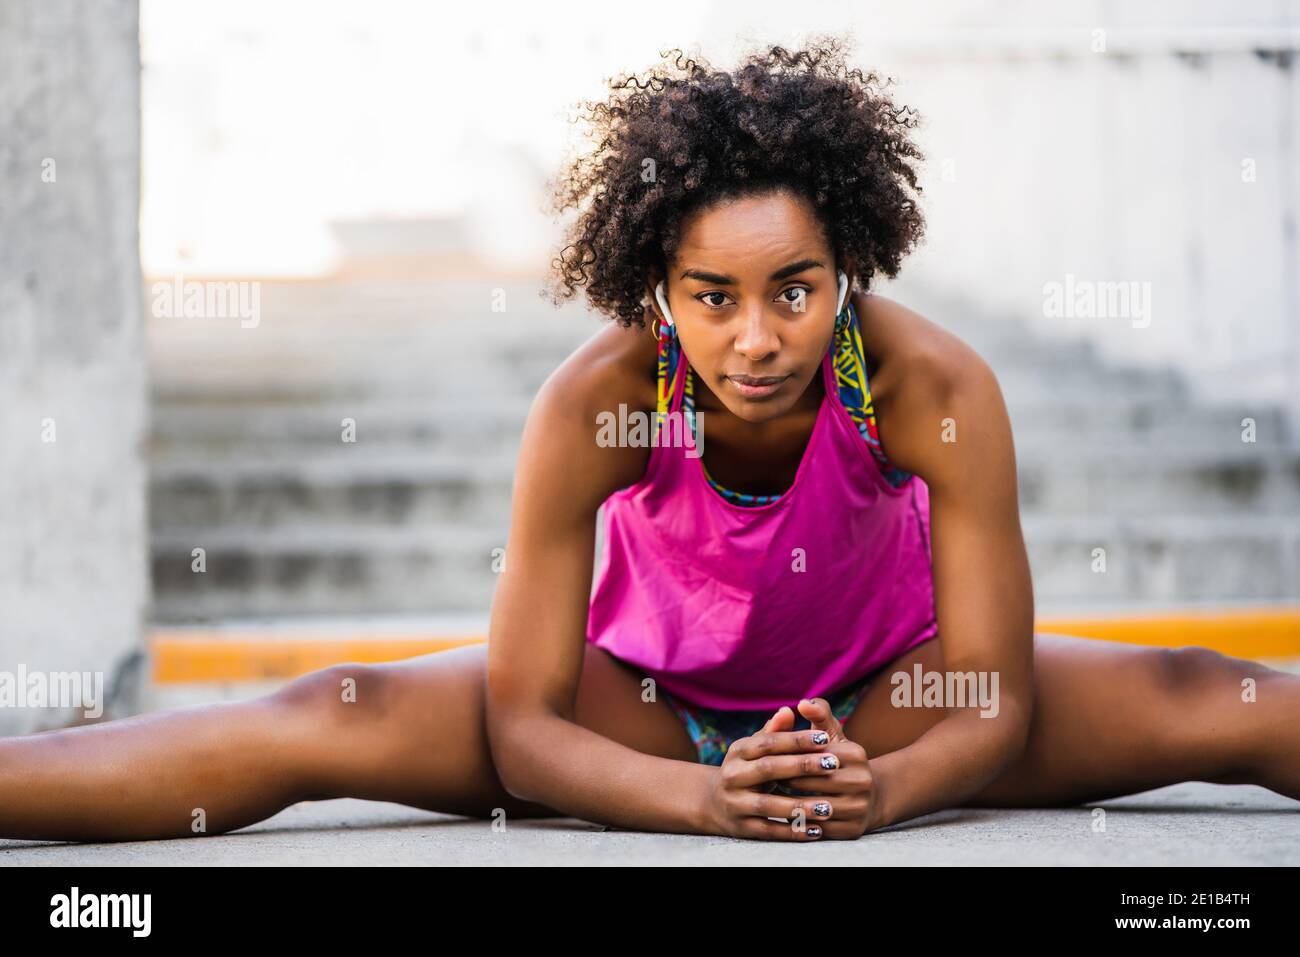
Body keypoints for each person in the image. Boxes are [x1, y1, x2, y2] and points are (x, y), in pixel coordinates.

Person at [2, 39, 1295, 845]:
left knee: (1202, 690)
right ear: (655, 291)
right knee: (331, 711)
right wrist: (702, 800)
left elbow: (996, 695)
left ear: (852, 260)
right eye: (710, 296)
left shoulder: (932, 385)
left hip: (893, 706)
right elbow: (521, 720)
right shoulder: (593, 403)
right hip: (645, 710)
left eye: (794, 287)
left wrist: (883, 792)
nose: (755, 339)